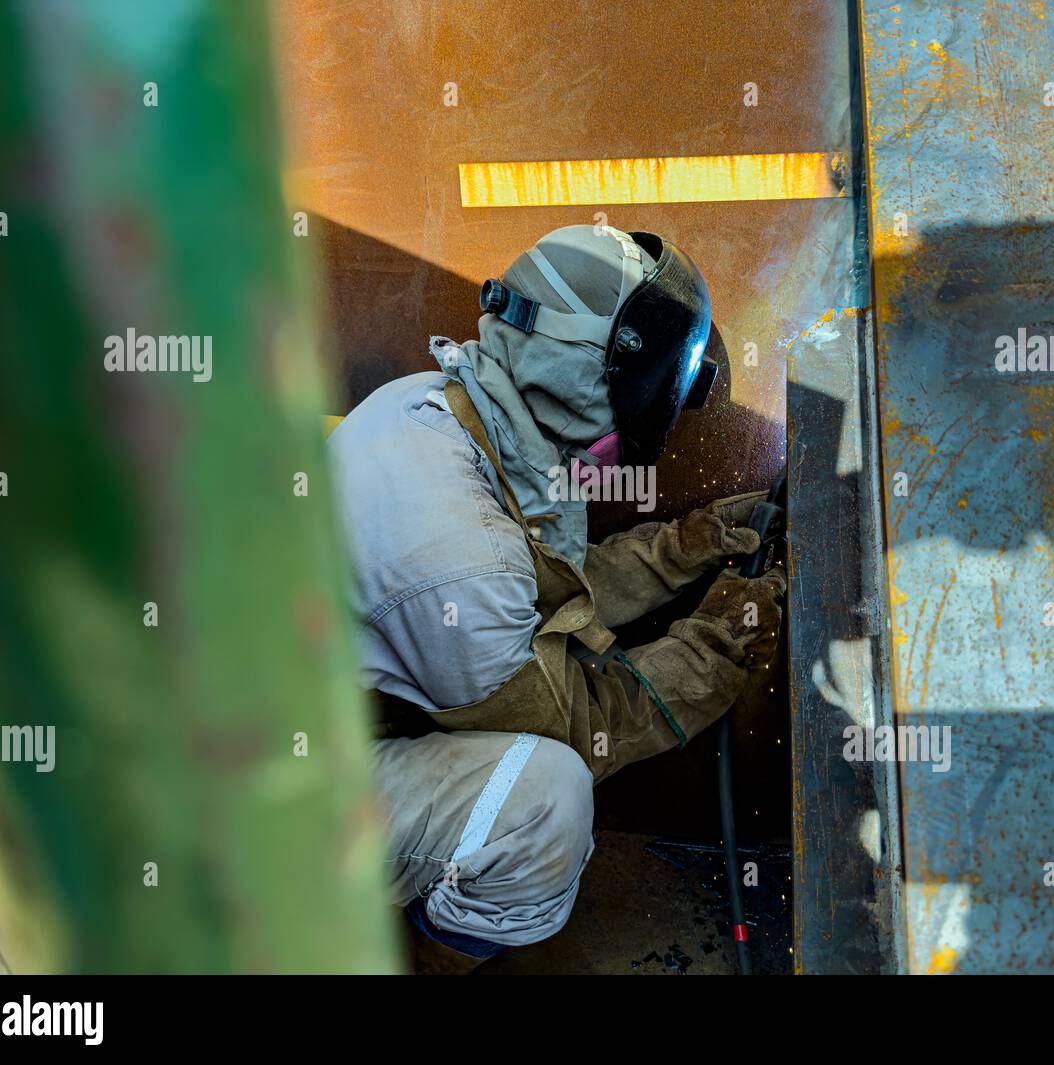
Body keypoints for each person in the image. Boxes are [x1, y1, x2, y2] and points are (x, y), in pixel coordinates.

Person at [328, 224, 785, 971]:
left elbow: (539, 587)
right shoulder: (452, 546)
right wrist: (712, 651)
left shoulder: (447, 408)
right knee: (545, 801)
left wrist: (679, 549)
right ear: (586, 373)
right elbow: (569, 724)